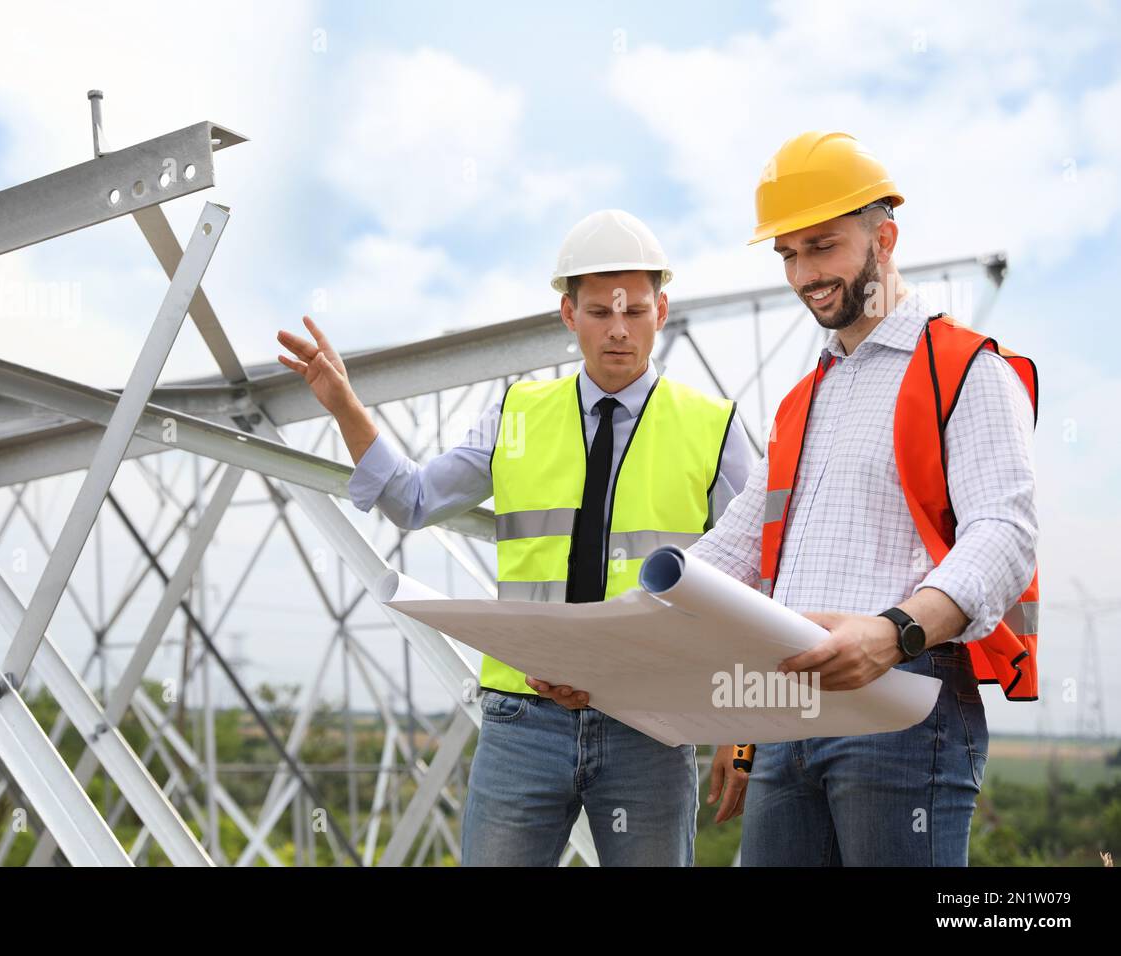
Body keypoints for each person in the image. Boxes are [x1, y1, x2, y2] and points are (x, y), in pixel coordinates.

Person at [276, 209, 755, 866]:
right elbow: (412, 500)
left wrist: (740, 728)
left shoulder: (716, 428)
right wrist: (344, 407)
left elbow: (755, 579)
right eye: (598, 312)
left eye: (635, 311)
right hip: (522, 720)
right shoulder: (516, 415)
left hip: (650, 723)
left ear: (661, 310)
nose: (618, 330)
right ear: (568, 314)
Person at [688, 130, 1040, 865]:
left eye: (823, 247)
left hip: (904, 707)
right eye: (788, 254)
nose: (803, 274)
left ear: (885, 237)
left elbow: (1003, 535)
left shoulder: (967, 371)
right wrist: (608, 640)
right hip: (787, 713)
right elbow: (735, 557)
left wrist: (892, 633)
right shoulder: (800, 404)